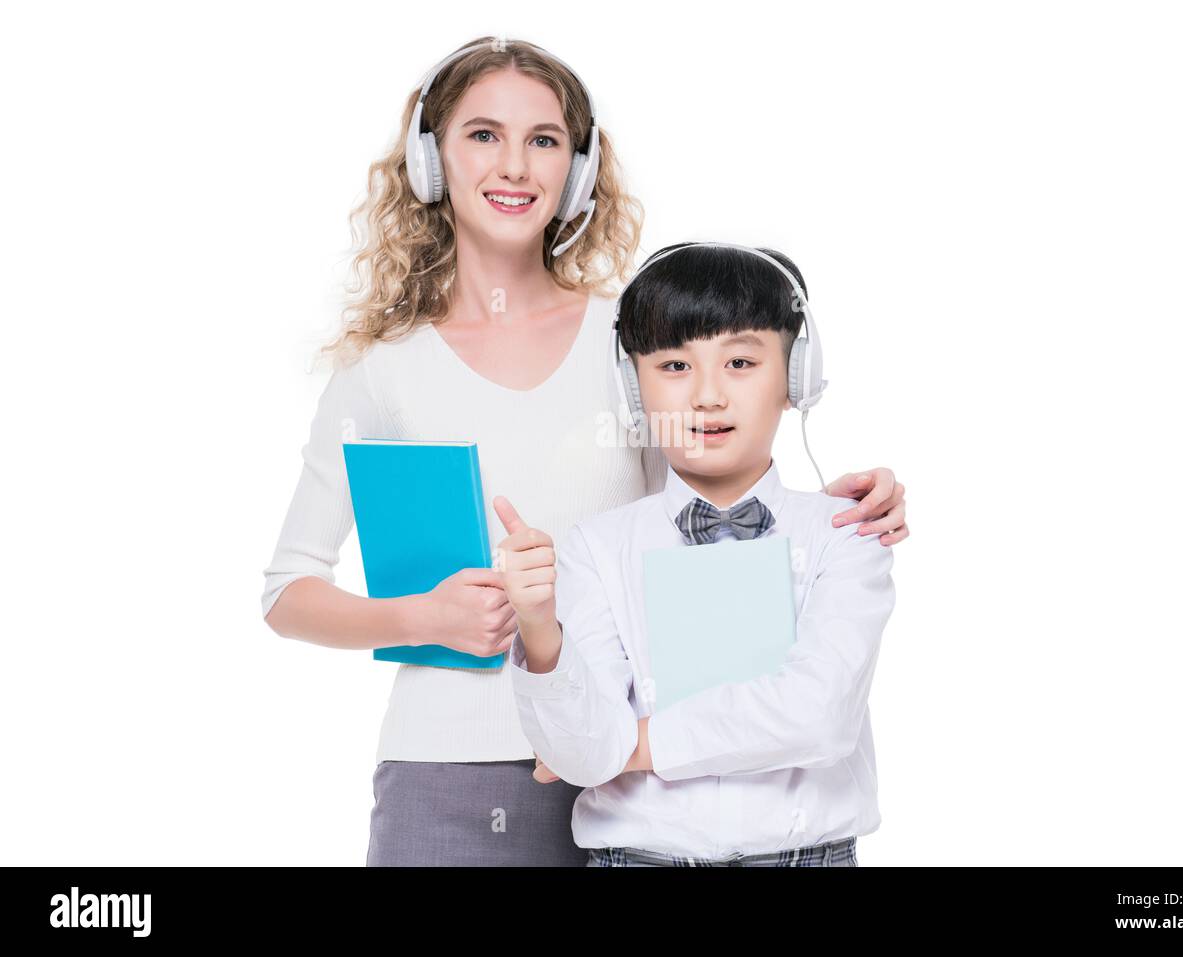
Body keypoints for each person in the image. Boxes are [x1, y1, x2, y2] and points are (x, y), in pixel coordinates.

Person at [261, 36, 909, 867]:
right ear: (430, 160)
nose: (515, 166)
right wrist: (426, 616)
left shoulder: (632, 340)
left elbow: (710, 492)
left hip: (642, 774)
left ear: (575, 167)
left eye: (544, 140)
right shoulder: (382, 370)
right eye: (483, 134)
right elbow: (289, 588)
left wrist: (847, 501)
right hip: (450, 774)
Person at [496, 242, 895, 866]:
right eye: (674, 367)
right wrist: (540, 628)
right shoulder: (596, 550)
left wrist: (632, 746)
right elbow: (577, 755)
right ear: (633, 388)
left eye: (740, 361)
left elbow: (817, 716)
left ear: (795, 379)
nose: (707, 396)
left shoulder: (845, 532)